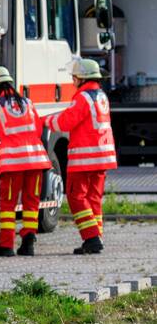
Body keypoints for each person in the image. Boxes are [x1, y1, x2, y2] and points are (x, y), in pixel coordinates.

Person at [0, 67, 50, 257]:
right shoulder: (27, 102)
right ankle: (28, 243)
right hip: (36, 161)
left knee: (9, 205)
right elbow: (37, 129)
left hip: (13, 163)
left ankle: (7, 245)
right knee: (31, 203)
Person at [47, 58, 116, 254]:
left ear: (81, 78)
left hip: (86, 157)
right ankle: (96, 238)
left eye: (74, 77)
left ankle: (92, 238)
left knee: (77, 196)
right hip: (103, 156)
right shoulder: (100, 95)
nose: (72, 80)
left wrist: (45, 121)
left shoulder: (83, 97)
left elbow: (66, 122)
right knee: (93, 198)